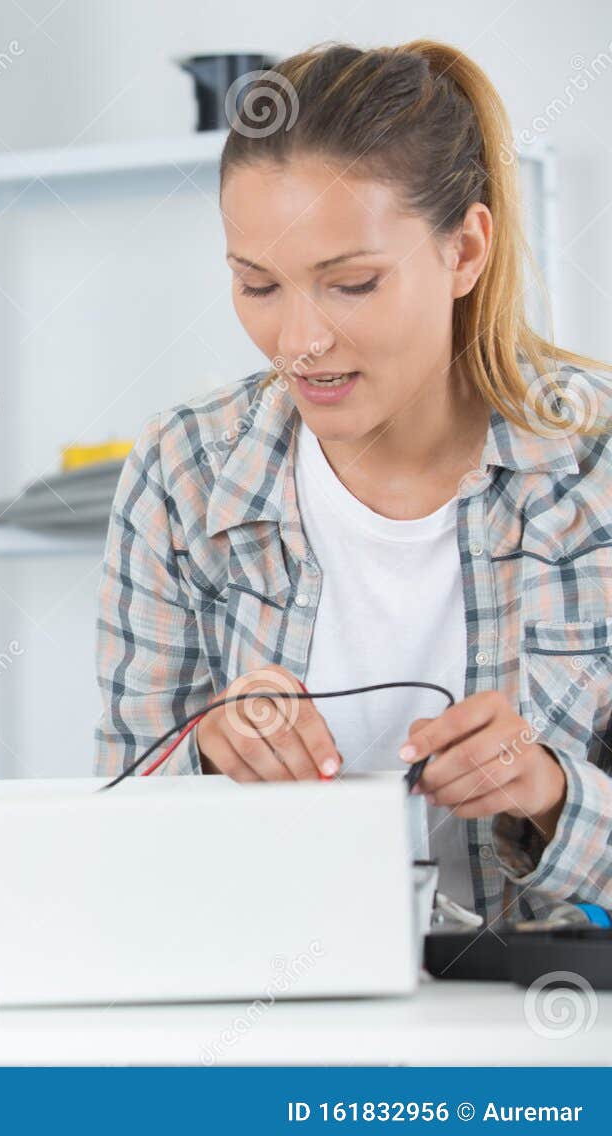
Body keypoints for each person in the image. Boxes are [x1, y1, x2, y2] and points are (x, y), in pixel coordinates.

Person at [95, 40, 612, 922]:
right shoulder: (183, 473)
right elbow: (115, 847)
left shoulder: (593, 465)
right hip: (269, 995)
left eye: (352, 284)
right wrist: (207, 758)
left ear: (465, 250)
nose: (300, 341)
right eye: (259, 285)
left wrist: (552, 793)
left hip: (545, 1001)